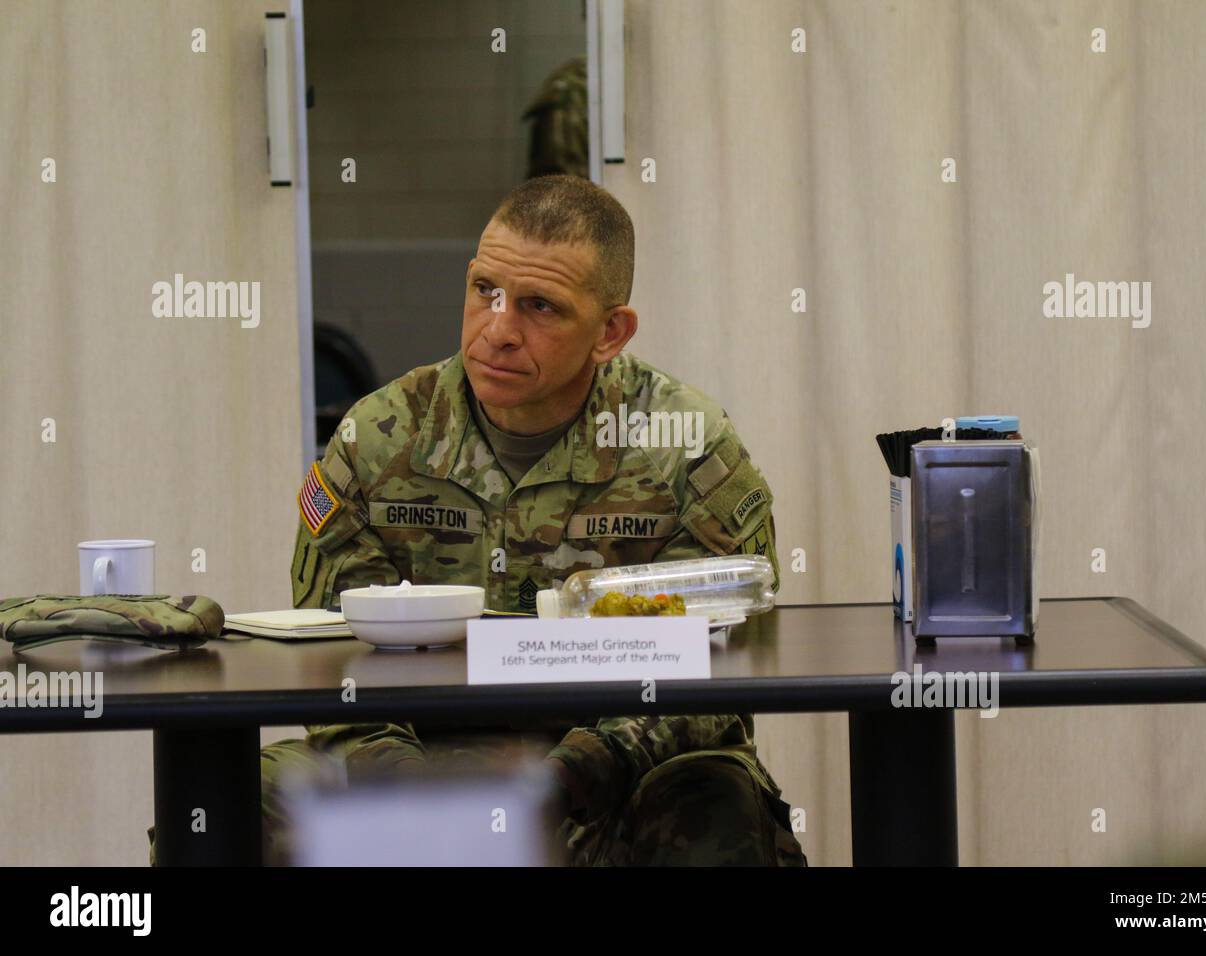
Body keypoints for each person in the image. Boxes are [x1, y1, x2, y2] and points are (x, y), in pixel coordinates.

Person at [270, 174, 805, 866]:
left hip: (616, 783)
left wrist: (568, 774)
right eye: (483, 291)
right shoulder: (379, 437)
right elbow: (332, 657)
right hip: (424, 772)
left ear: (610, 331)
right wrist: (411, 786)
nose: (498, 330)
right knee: (249, 790)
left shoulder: (685, 446)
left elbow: (721, 666)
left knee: (711, 795)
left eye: (539, 307)